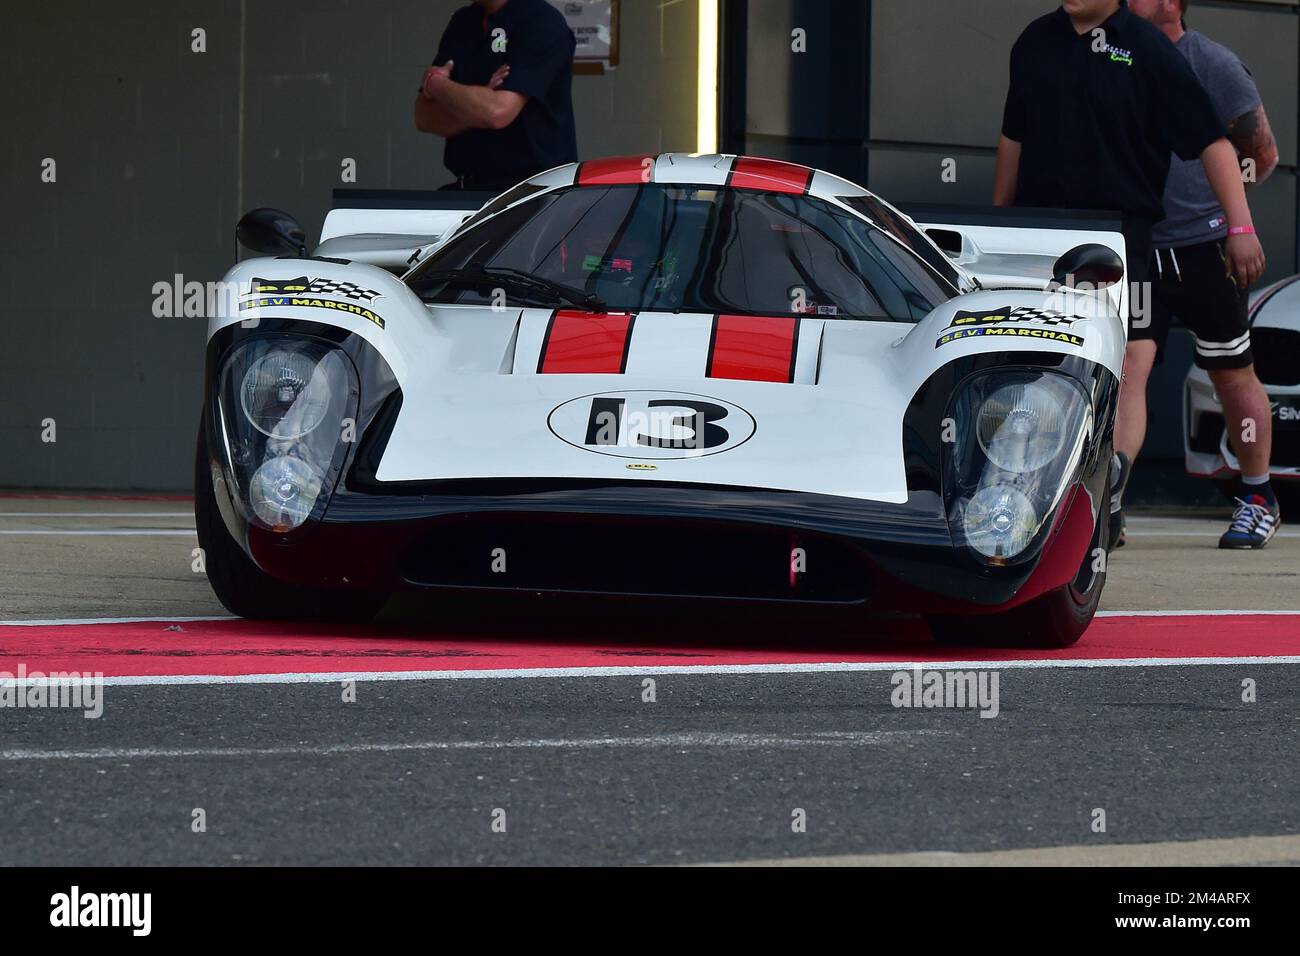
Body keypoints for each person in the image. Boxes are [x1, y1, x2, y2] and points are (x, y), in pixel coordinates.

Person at [993, 0, 1266, 550]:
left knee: (1130, 368)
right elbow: (1013, 139)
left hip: (1125, 242)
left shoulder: (1148, 49)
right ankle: (1030, 497)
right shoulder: (1034, 42)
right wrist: (1001, 226)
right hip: (1042, 240)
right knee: (1038, 366)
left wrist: (1239, 228)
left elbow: (1214, 141)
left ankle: (1120, 485)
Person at [1127, 0, 1281, 548]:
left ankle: (1259, 496)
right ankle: (1109, 505)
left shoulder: (1213, 63)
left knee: (1232, 373)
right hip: (1139, 246)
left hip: (1204, 249)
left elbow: (1263, 155)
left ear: (1172, 4)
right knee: (1128, 370)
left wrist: (1225, 215)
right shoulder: (1116, 55)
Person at [414, 0, 578, 192]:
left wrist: (437, 84)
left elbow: (497, 112)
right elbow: (423, 117)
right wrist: (477, 107)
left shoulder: (541, 21)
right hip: (468, 187)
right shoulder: (463, 21)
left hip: (532, 193)